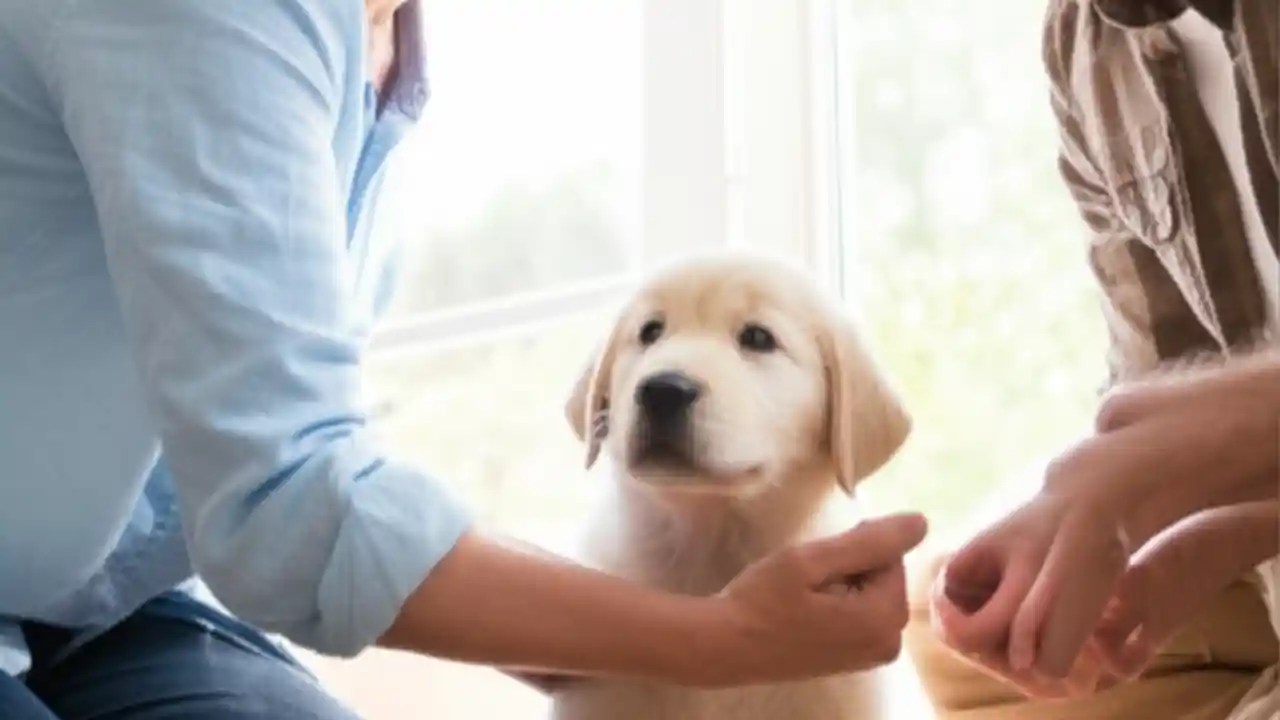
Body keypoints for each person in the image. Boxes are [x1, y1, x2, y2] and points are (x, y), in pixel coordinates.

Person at [0, 1, 927, 718]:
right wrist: (718, 638)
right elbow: (286, 504)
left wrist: (574, 622)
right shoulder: (218, 22)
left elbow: (241, 446)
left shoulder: (381, 42)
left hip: (101, 607)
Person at [906, 1, 1279, 718]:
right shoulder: (1087, 39)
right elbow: (1157, 386)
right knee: (943, 617)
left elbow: (1162, 435)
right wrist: (1192, 546)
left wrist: (1146, 467)